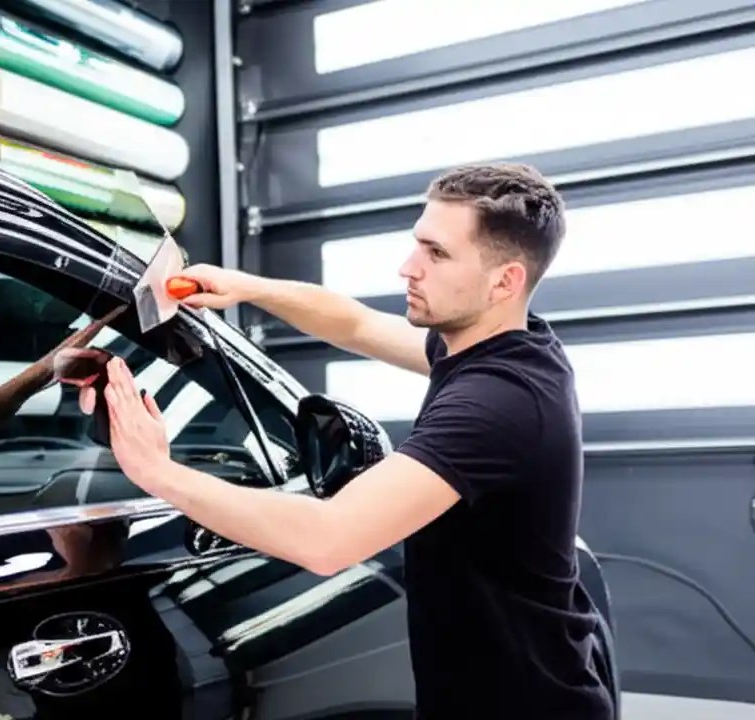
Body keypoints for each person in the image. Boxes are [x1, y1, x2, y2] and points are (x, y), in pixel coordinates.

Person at [81, 162, 615, 719]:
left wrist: (157, 472)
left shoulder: (499, 403)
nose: (408, 268)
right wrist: (246, 288)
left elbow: (329, 538)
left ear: (505, 281)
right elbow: (356, 325)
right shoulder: (498, 341)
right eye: (417, 244)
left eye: (437, 254)